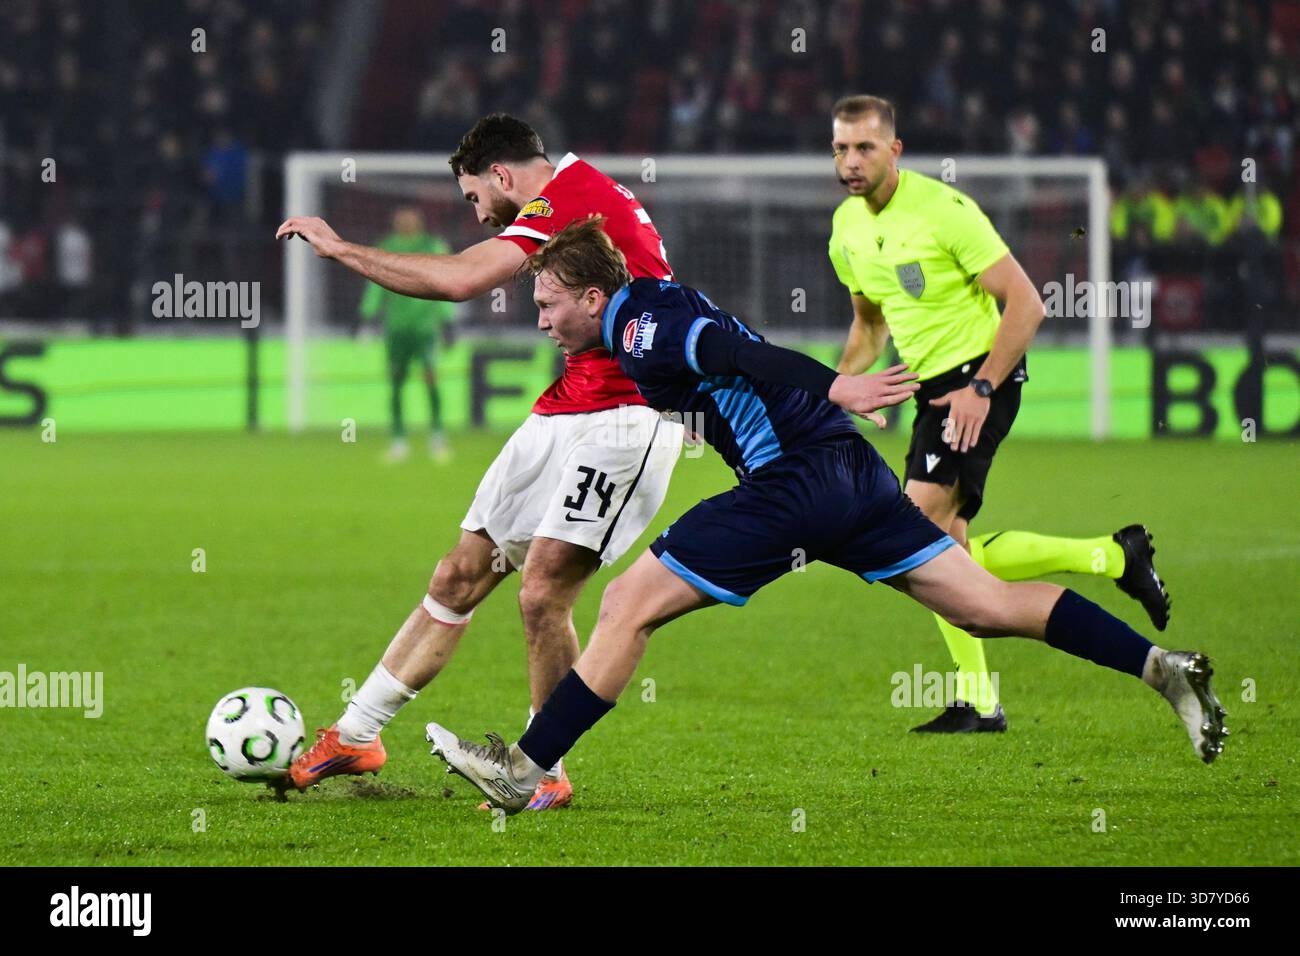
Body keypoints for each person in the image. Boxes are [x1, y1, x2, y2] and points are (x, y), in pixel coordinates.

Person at [424, 218, 1227, 814]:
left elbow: (735, 355)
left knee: (626, 606)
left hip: (796, 479)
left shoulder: (640, 326)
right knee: (985, 606)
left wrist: (834, 383)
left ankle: (525, 770)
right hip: (851, 473)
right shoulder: (645, 307)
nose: (540, 319)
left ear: (593, 297)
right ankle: (1161, 667)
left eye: (548, 302)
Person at [275, 114, 683, 810]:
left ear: (501, 175)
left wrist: (341, 250)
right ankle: (356, 733)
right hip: (566, 406)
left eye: (473, 198)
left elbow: (462, 280)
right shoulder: (573, 200)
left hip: (627, 417)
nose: (479, 214)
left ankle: (542, 773)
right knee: (460, 572)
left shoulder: (566, 195)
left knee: (543, 591)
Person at [828, 95, 1171, 732]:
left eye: (864, 147)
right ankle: (1111, 561)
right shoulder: (846, 230)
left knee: (916, 535)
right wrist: (831, 389)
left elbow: (1028, 303)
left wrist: (980, 389)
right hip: (934, 389)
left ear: (894, 150)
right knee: (949, 553)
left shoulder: (944, 211)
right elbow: (870, 323)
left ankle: (987, 693)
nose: (851, 161)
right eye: (841, 149)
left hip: (981, 377)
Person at [358, 207, 455, 462]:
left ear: (419, 222)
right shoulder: (387, 246)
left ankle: (437, 436)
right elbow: (375, 284)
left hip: (425, 329)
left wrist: (447, 322)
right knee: (396, 383)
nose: (406, 222)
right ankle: (399, 439)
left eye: (410, 219)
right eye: (402, 219)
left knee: (431, 379)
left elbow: (444, 282)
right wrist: (367, 316)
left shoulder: (432, 246)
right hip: (396, 329)